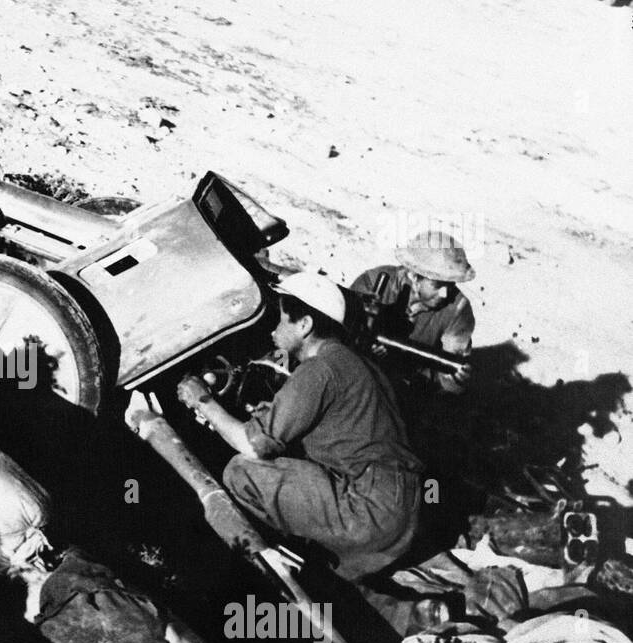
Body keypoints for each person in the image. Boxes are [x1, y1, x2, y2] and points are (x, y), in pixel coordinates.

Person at [177, 272, 423, 582]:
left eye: (282, 320)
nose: (275, 328)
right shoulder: (355, 363)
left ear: (305, 325)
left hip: (370, 512)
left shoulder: (320, 371)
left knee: (242, 471)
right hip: (404, 506)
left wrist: (201, 400)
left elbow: (251, 445)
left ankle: (286, 562)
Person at [350, 231, 476, 395]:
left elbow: (447, 385)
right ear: (414, 276)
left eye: (450, 284)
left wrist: (453, 379)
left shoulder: (458, 309)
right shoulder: (373, 282)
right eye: (437, 285)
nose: (445, 294)